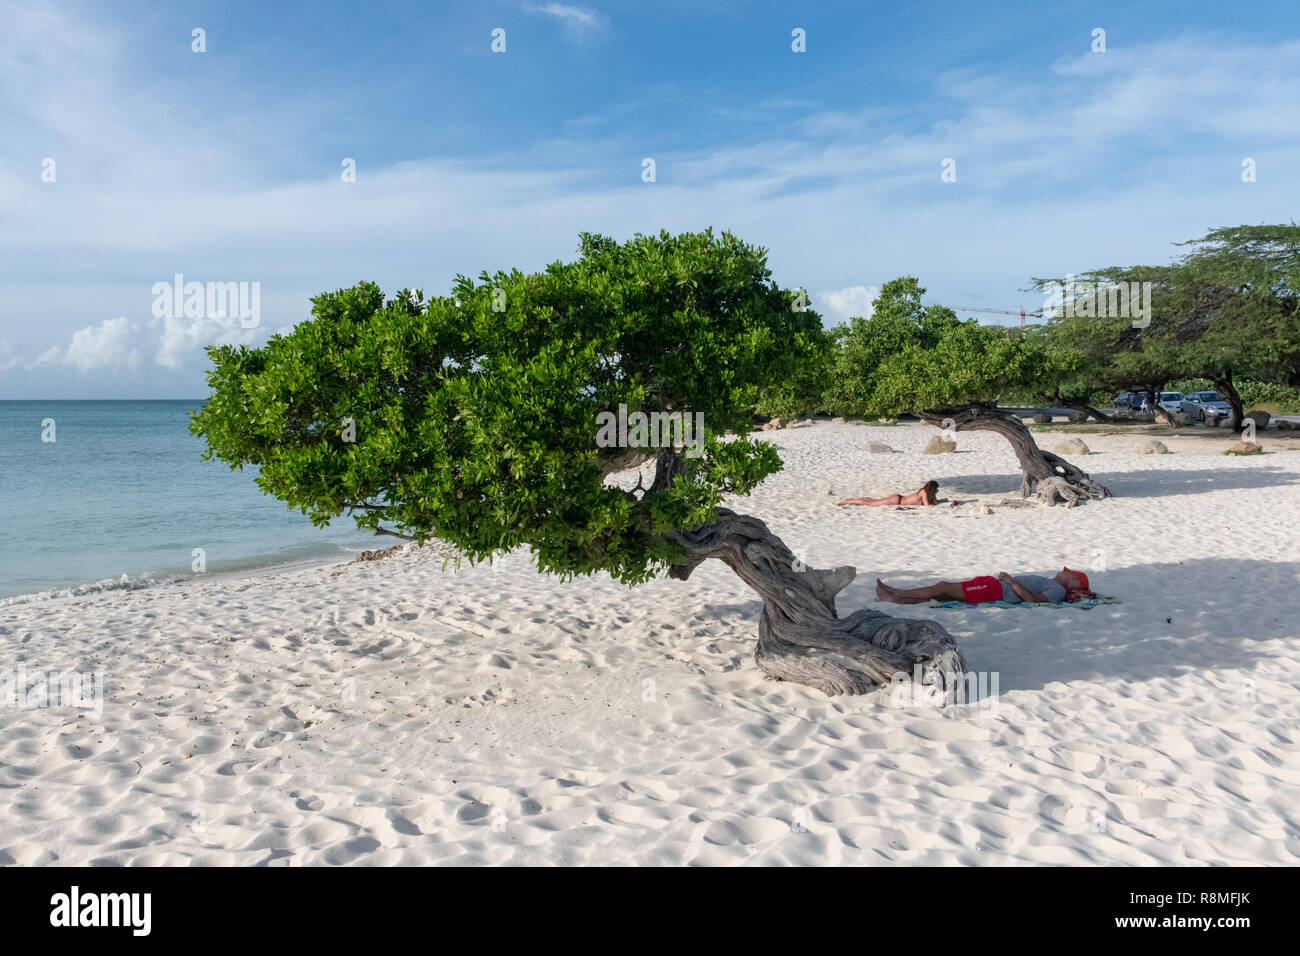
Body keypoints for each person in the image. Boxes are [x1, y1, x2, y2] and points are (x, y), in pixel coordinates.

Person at [875, 567, 1096, 604]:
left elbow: (1032, 600)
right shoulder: (1051, 582)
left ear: (1075, 582)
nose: (1064, 572)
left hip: (996, 589)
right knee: (943, 595)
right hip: (993, 585)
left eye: (1070, 574)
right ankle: (896, 598)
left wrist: (1011, 581)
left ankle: (896, 591)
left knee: (943, 587)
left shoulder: (1056, 590)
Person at [837, 480, 948, 508]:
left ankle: (854, 499)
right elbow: (927, 505)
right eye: (936, 489)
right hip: (897, 500)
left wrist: (935, 496)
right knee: (872, 504)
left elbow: (934, 502)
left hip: (898, 498)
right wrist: (936, 500)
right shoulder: (923, 492)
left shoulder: (926, 492)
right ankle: (849, 501)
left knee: (874, 501)